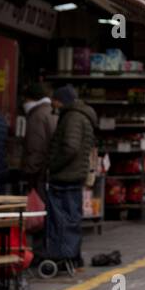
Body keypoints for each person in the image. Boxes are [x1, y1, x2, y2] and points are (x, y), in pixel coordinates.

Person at [45, 85, 97, 269]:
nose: (53, 104)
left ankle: (63, 257)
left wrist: (53, 166)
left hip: (65, 176)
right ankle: (71, 256)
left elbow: (70, 147)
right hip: (74, 174)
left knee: (62, 218)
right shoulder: (81, 115)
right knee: (71, 216)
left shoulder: (72, 117)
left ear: (62, 100)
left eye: (55, 100)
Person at [21, 82, 57, 195]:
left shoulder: (37, 115)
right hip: (48, 172)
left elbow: (36, 148)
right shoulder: (50, 111)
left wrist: (28, 172)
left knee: (37, 208)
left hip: (39, 176)